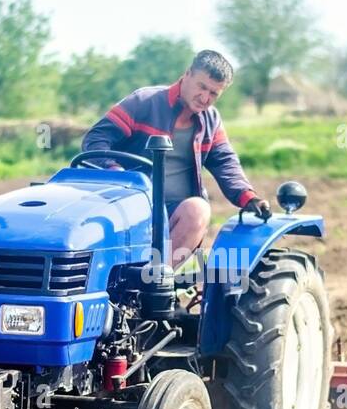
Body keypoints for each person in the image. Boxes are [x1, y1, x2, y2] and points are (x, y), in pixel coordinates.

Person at [81, 50, 271, 266]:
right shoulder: (144, 102)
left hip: (177, 214)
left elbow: (225, 162)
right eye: (202, 86)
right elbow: (96, 139)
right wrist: (118, 174)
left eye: (214, 93)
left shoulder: (211, 120)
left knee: (198, 209)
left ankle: (157, 281)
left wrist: (248, 197)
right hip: (133, 206)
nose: (205, 98)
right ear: (187, 74)